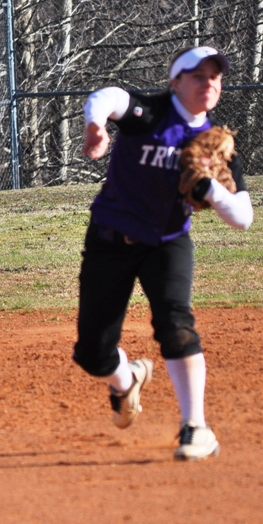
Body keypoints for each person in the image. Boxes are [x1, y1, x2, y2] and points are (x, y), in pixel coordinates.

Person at [75, 45, 253, 461]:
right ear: (175, 82)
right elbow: (110, 97)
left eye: (215, 76)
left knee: (176, 324)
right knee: (92, 353)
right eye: (197, 75)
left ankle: (196, 427)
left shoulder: (215, 145)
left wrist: (209, 189)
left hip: (168, 242)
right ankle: (126, 379)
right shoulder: (152, 113)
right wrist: (95, 124)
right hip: (110, 237)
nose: (208, 82)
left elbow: (243, 217)